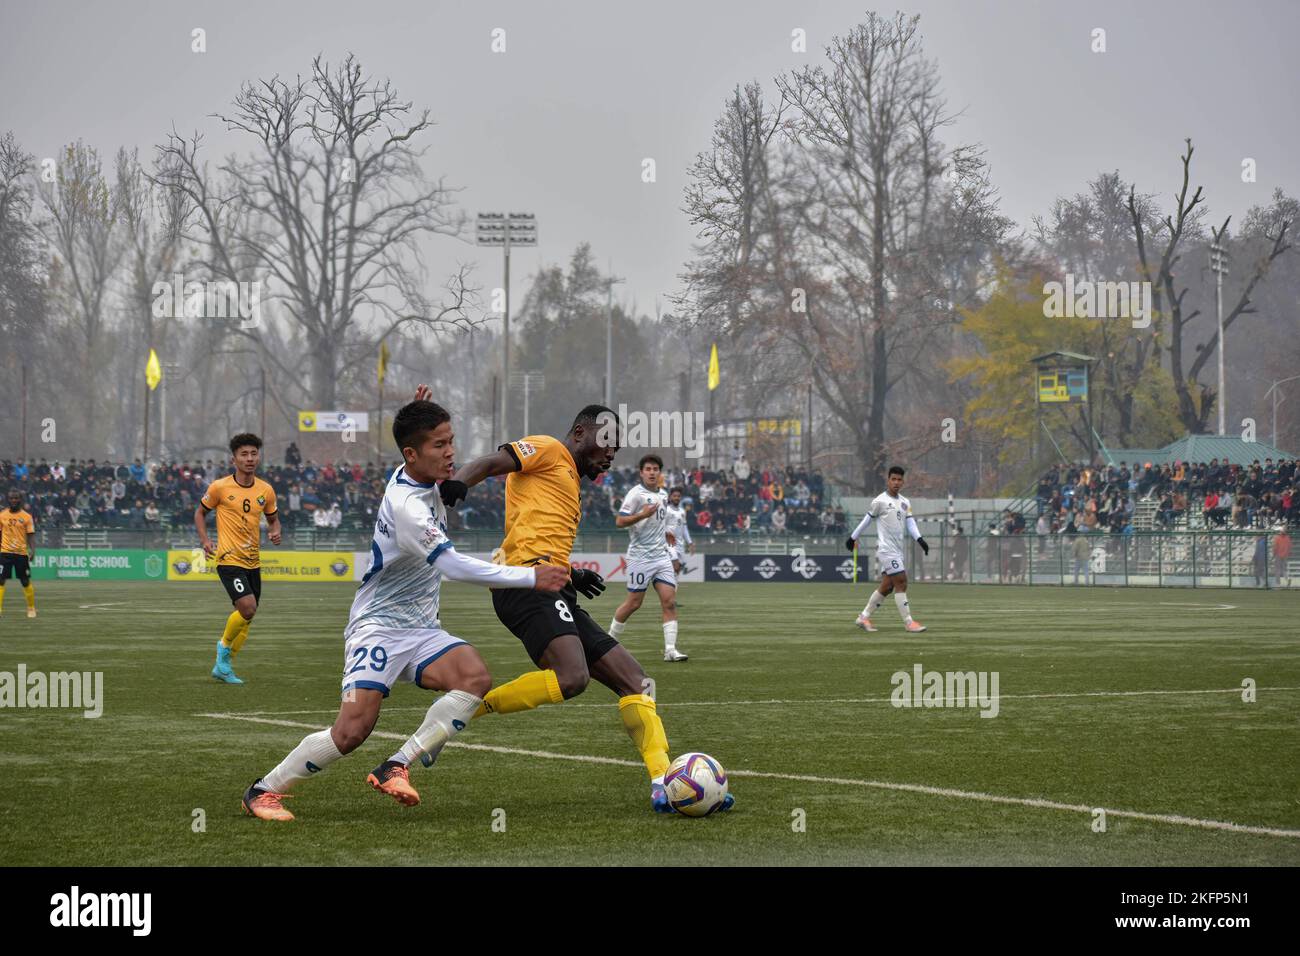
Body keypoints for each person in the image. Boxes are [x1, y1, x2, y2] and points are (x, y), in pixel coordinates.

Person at [242, 394, 569, 822]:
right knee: (351, 732)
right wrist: (532, 576)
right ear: (412, 454)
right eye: (439, 445)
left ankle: (396, 764)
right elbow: (452, 565)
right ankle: (263, 791)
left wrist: (414, 412)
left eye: (451, 441)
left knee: (474, 677)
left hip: (421, 629)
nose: (451, 452)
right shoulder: (408, 508)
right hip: (376, 627)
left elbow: (416, 445)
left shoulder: (415, 471)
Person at [440, 405, 732, 813]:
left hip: (554, 586)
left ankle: (663, 784)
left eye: (618, 446)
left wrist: (573, 574)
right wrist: (458, 482)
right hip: (523, 584)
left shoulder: (570, 483)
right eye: (607, 440)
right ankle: (471, 707)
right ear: (579, 432)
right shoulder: (545, 449)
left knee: (637, 681)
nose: (612, 452)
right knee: (571, 677)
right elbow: (492, 462)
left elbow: (539, 534)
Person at [195, 434, 283, 684]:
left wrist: (276, 530)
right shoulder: (219, 488)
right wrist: (205, 540)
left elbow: (273, 519)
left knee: (247, 616)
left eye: (254, 453)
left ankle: (224, 666)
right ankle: (222, 651)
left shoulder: (265, 490)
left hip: (253, 561)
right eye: (244, 454)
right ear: (234, 459)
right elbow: (200, 513)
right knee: (248, 607)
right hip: (228, 559)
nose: (250, 458)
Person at [609, 455, 686, 662]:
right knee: (634, 603)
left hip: (661, 557)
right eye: (648, 469)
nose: (652, 472)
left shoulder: (663, 494)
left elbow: (658, 522)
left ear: (660, 473)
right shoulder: (635, 495)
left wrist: (666, 532)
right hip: (640, 558)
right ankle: (608, 641)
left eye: (655, 469)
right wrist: (642, 515)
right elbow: (619, 521)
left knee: (669, 602)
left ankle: (670, 650)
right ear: (641, 472)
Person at [846, 466, 929, 633]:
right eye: (893, 479)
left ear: (903, 481)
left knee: (887, 587)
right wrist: (853, 537)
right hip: (886, 550)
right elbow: (867, 521)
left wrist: (919, 539)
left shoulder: (905, 502)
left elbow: (910, 523)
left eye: (899, 479)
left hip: (898, 550)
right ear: (888, 480)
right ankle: (909, 622)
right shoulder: (880, 501)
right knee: (902, 582)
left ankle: (863, 617)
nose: (896, 482)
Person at [0, 489, 37, 618]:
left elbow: (31, 535)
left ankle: (31, 608)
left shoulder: (27, 517)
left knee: (25, 581)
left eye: (16, 498)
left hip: (21, 554)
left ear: (20, 499)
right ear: (8, 499)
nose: (14, 500)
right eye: (11, 498)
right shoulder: (2, 515)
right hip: (5, 553)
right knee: (0, 580)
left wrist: (33, 550)